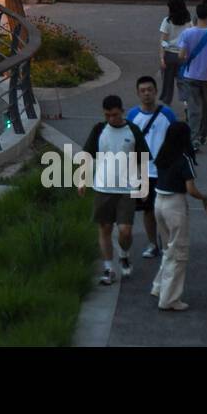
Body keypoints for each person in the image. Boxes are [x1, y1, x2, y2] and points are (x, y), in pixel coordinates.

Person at [80, 95, 150, 286]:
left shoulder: (133, 130)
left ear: (122, 111)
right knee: (105, 228)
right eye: (108, 115)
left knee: (125, 230)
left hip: (127, 188)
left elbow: (143, 159)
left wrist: (144, 185)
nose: (112, 119)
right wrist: (82, 179)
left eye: (115, 115)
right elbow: (87, 154)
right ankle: (109, 268)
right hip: (103, 187)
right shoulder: (99, 130)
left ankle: (124, 254)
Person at [150, 121, 207, 311]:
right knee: (178, 252)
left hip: (158, 202)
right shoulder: (184, 158)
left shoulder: (163, 154)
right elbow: (190, 189)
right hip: (175, 205)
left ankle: (159, 287)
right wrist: (204, 197)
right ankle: (169, 299)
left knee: (169, 248)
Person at [128, 76, 180, 259]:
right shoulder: (132, 116)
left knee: (166, 210)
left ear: (156, 91)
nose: (147, 93)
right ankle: (152, 243)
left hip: (164, 170)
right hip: (141, 170)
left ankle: (167, 243)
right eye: (142, 90)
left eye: (150, 90)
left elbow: (178, 139)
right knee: (147, 210)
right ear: (138, 93)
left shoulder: (168, 114)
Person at [176, 2, 207, 148]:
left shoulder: (187, 33)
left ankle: (194, 137)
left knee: (193, 107)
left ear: (196, 15)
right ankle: (203, 135)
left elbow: (181, 55)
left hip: (191, 75)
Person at [159, 0, 190, 106]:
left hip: (169, 55)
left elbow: (163, 41)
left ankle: (167, 106)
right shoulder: (188, 21)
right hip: (183, 55)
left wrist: (162, 58)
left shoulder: (167, 21)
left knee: (168, 83)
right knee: (183, 82)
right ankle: (186, 103)